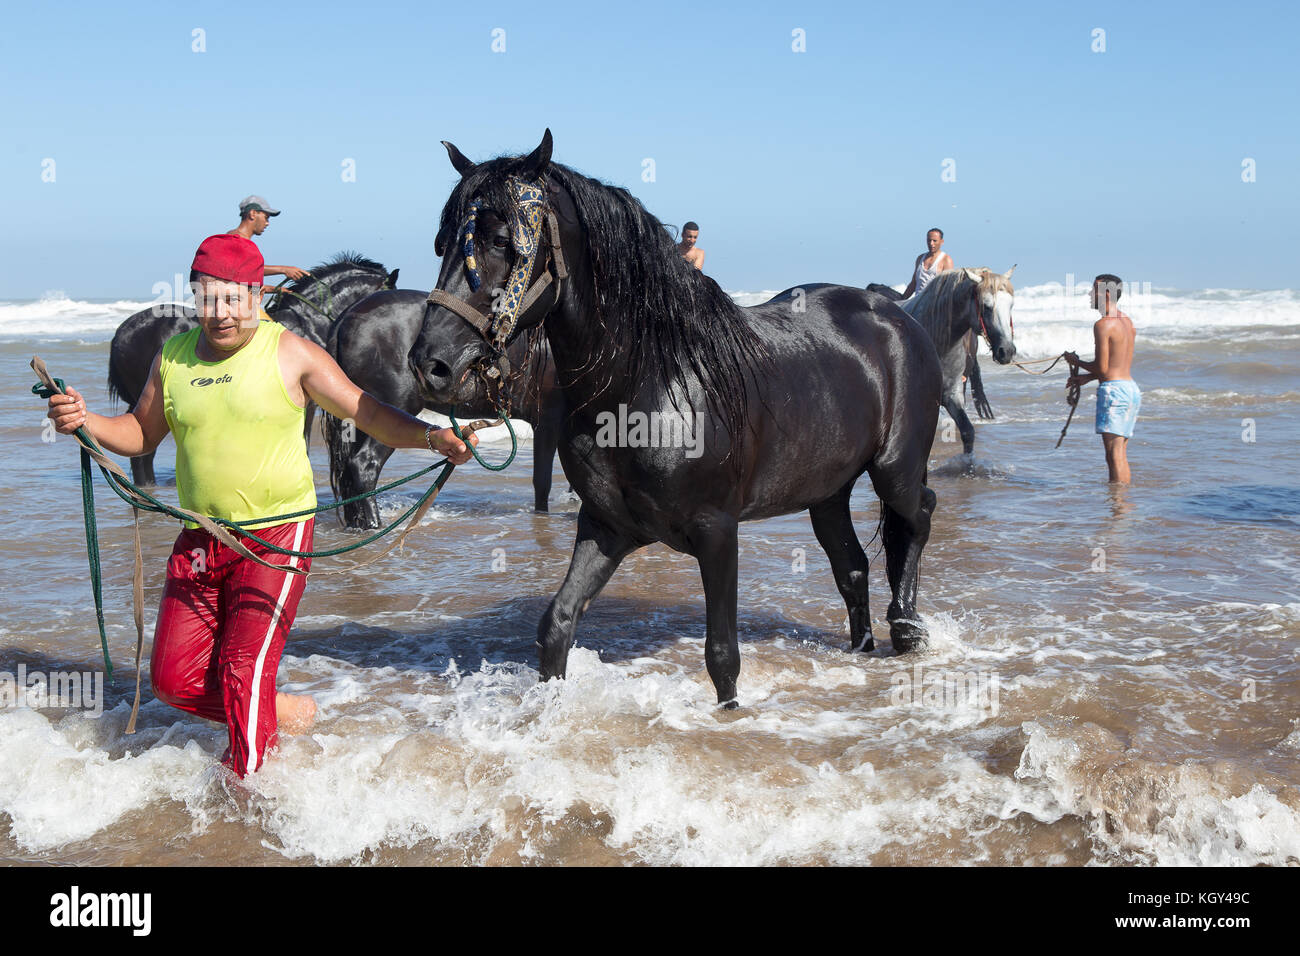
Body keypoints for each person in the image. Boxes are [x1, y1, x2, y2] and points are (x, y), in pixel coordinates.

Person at [46, 234, 478, 777]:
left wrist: (433, 437)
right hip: (201, 540)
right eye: (208, 298)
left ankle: (249, 803)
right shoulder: (172, 358)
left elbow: (366, 411)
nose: (220, 313)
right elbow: (139, 433)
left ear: (256, 294)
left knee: (242, 667)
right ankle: (274, 710)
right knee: (173, 680)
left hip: (276, 539)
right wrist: (84, 420)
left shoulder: (291, 352)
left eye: (234, 299)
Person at [1066, 274, 1139, 484]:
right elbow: (1115, 365)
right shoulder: (1127, 322)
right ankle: (1121, 505)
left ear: (1106, 293)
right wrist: (1086, 378)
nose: (1090, 294)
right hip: (1130, 389)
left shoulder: (1103, 324)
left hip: (1114, 392)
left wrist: (1075, 361)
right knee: (1120, 453)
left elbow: (1102, 368)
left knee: (1113, 455)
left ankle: (1118, 507)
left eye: (1093, 290)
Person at [227, 195, 310, 282]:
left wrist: (272, 289)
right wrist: (284, 269)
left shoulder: (240, 239)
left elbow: (246, 279)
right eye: (266, 218)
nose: (267, 223)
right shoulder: (235, 239)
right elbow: (241, 270)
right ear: (253, 214)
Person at [901, 227, 955, 299]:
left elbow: (948, 287)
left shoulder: (946, 260)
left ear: (942, 241)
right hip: (917, 302)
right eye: (929, 240)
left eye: (934, 241)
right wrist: (902, 299)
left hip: (933, 303)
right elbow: (914, 283)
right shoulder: (920, 258)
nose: (931, 243)